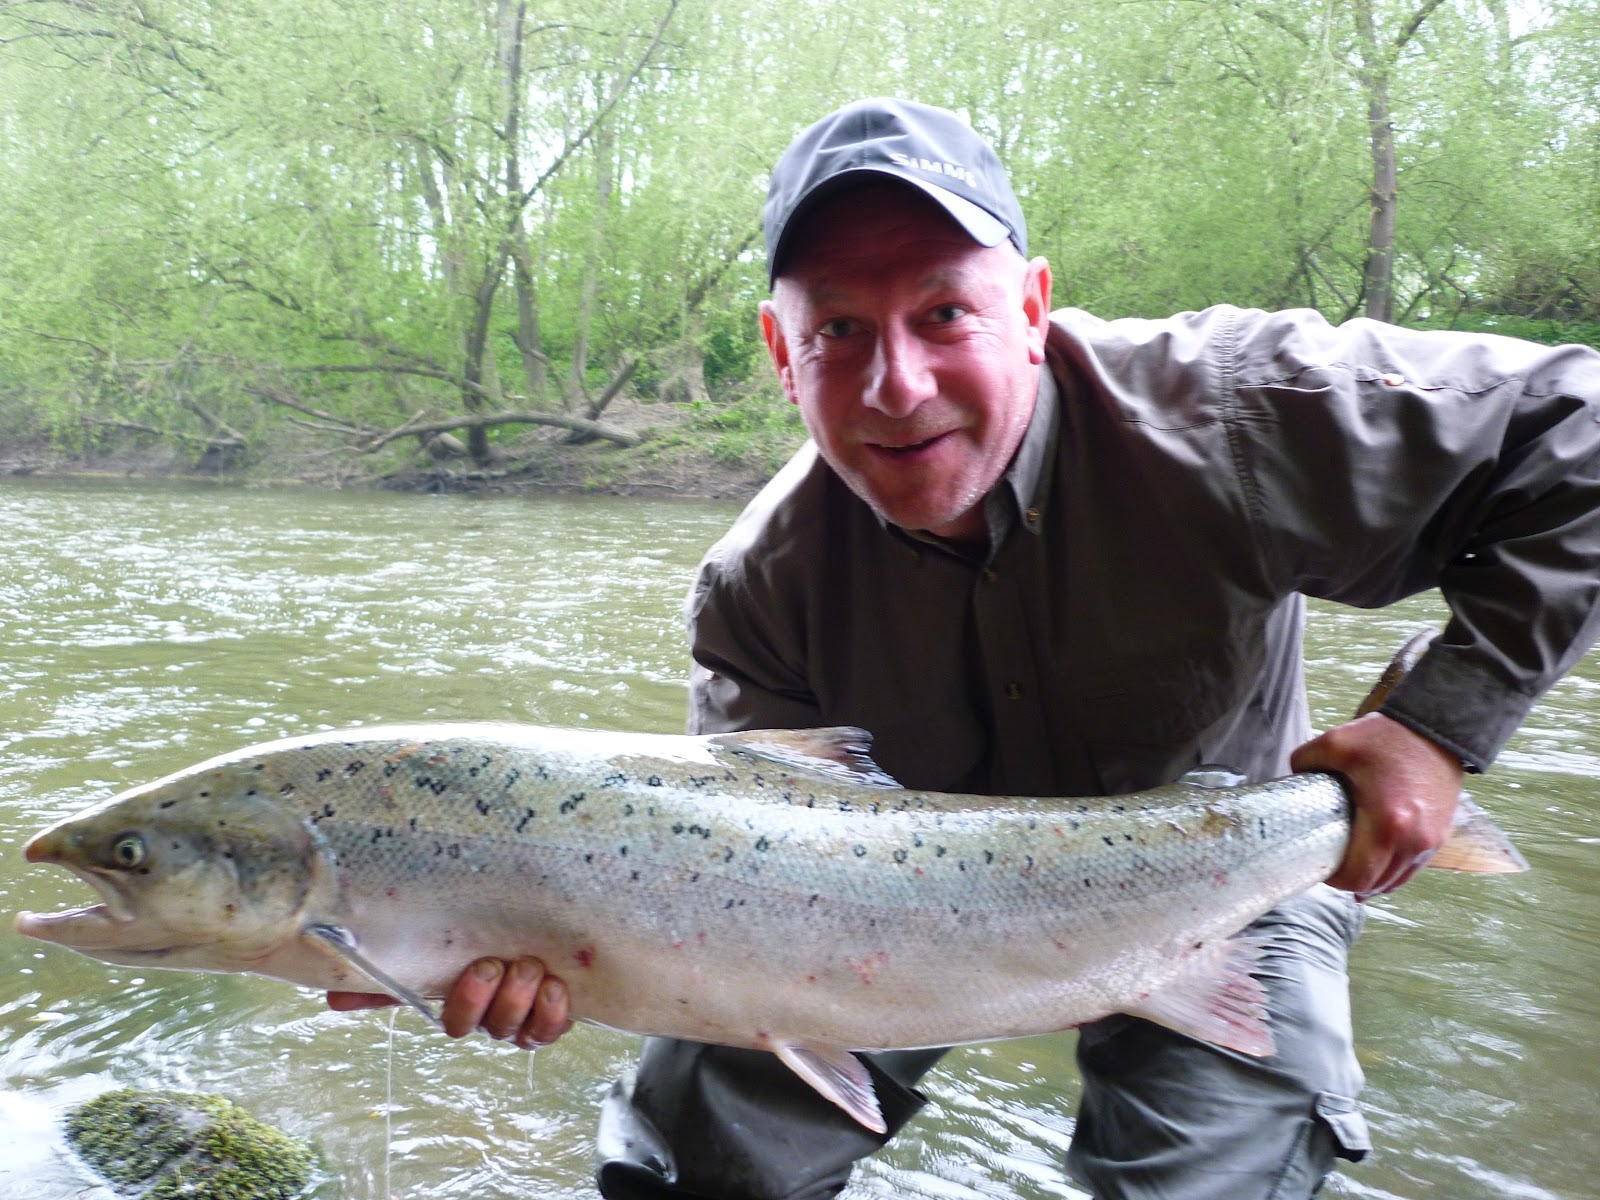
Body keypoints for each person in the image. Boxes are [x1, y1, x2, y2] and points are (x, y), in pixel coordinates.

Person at [330, 98, 1600, 1199]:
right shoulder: (756, 590)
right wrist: (548, 962)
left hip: (1231, 886)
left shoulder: (1238, 417)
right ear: (780, 355)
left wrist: (1437, 727)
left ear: (1034, 309)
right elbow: (723, 880)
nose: (896, 384)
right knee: (693, 1161)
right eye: (838, 331)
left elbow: (1579, 432)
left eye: (945, 313)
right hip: (864, 928)